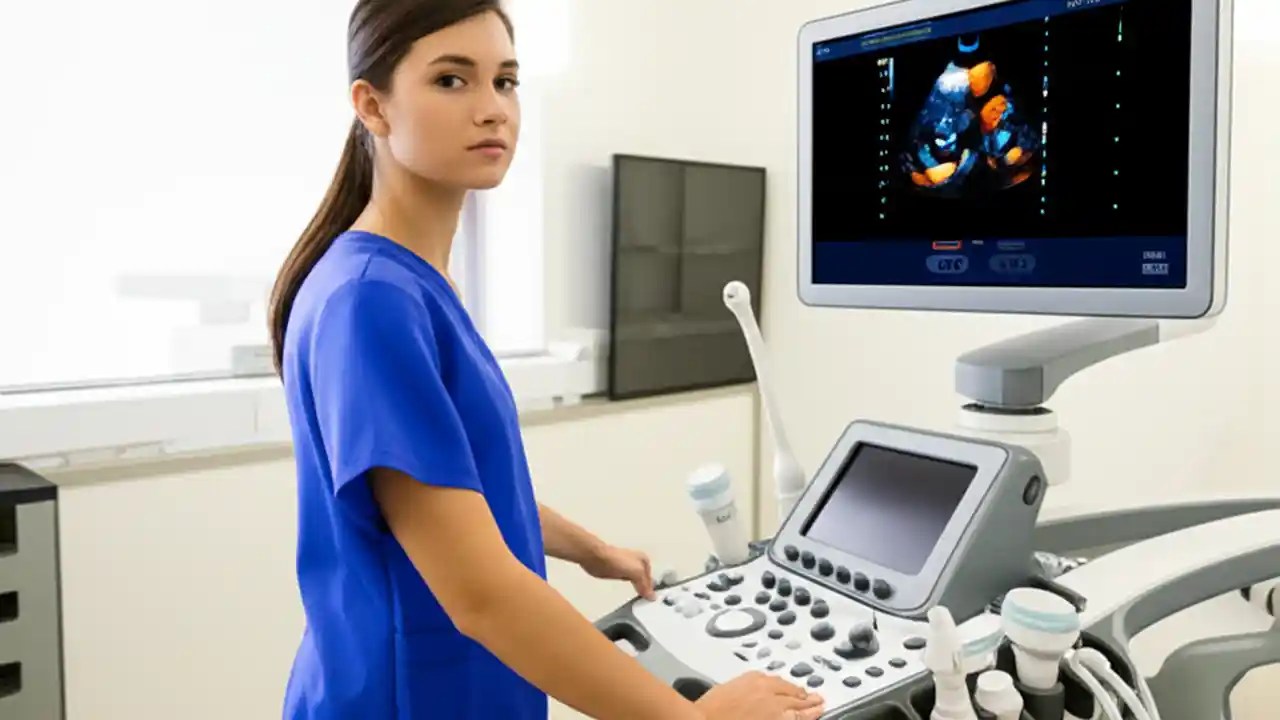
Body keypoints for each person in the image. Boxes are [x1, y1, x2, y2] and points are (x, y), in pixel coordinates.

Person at [267, 2, 828, 719]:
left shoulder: (400, 282)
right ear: (371, 105)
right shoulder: (372, 301)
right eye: (451, 81)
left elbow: (446, 487)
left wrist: (588, 548)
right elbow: (480, 593)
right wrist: (692, 718)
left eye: (505, 81)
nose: (491, 109)